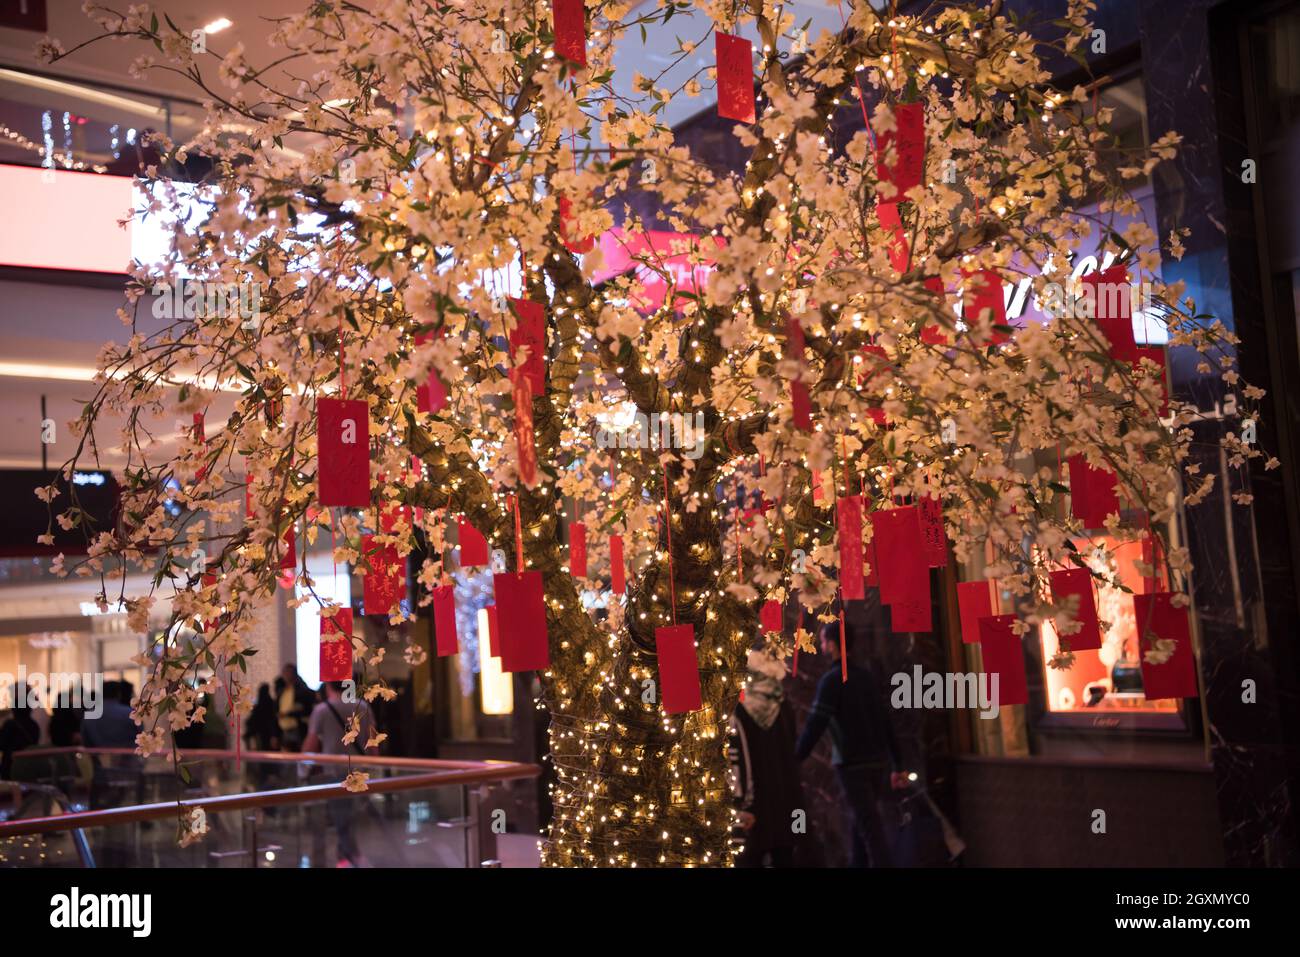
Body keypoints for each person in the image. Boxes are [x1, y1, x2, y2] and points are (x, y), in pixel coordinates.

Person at [794, 622, 909, 867]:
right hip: (877, 763)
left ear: (833, 645)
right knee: (862, 823)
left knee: (870, 828)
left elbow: (815, 724)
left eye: (824, 641)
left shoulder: (831, 681)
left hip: (851, 765)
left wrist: (793, 760)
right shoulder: (866, 676)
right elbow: (886, 721)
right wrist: (898, 763)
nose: (822, 646)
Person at [727, 649, 803, 867]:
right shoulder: (783, 701)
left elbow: (740, 755)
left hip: (757, 796)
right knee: (784, 855)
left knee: (751, 857)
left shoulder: (741, 708)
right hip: (786, 793)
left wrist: (742, 803)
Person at [303, 681, 378, 867]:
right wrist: (376, 766)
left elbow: (310, 745)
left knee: (341, 818)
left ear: (328, 685)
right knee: (349, 818)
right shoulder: (363, 706)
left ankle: (351, 858)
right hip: (360, 771)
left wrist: (302, 767)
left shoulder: (322, 710)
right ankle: (345, 857)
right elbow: (373, 742)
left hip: (334, 772)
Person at [80, 680, 137, 749]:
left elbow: (86, 742)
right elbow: (139, 738)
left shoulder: (89, 715)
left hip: (100, 757)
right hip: (128, 757)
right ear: (119, 694)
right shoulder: (131, 713)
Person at [274, 664, 314, 751]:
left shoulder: (302, 691)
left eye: (288, 673)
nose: (286, 675)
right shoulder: (282, 691)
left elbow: (306, 710)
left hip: (297, 729)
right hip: (284, 729)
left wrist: (288, 714)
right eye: (284, 673)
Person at [0, 702, 41, 780]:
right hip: (30, 764)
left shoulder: (10, 724)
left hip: (10, 765)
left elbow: (2, 744)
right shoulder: (34, 725)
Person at [245, 683, 280, 752]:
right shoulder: (271, 702)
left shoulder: (257, 703)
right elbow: (273, 718)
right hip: (268, 731)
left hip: (258, 731)